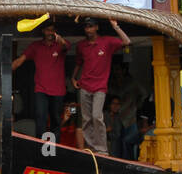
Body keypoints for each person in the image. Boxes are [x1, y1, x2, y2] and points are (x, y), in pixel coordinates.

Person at [71, 16, 132, 152]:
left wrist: (116, 26)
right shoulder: (81, 45)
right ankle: (91, 147)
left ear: (97, 27)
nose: (89, 29)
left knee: (96, 116)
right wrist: (73, 78)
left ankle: (101, 149)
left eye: (91, 26)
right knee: (86, 119)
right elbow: (79, 63)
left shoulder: (107, 41)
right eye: (87, 27)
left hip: (100, 87)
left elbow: (127, 41)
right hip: (84, 85)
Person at [12, 21, 69, 138]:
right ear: (43, 31)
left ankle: (54, 149)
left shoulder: (60, 44)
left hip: (58, 90)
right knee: (40, 117)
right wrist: (4, 71)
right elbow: (20, 61)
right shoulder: (35, 46)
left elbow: (65, 46)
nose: (50, 33)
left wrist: (61, 40)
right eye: (48, 30)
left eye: (52, 30)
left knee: (56, 120)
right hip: (41, 89)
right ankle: (40, 147)